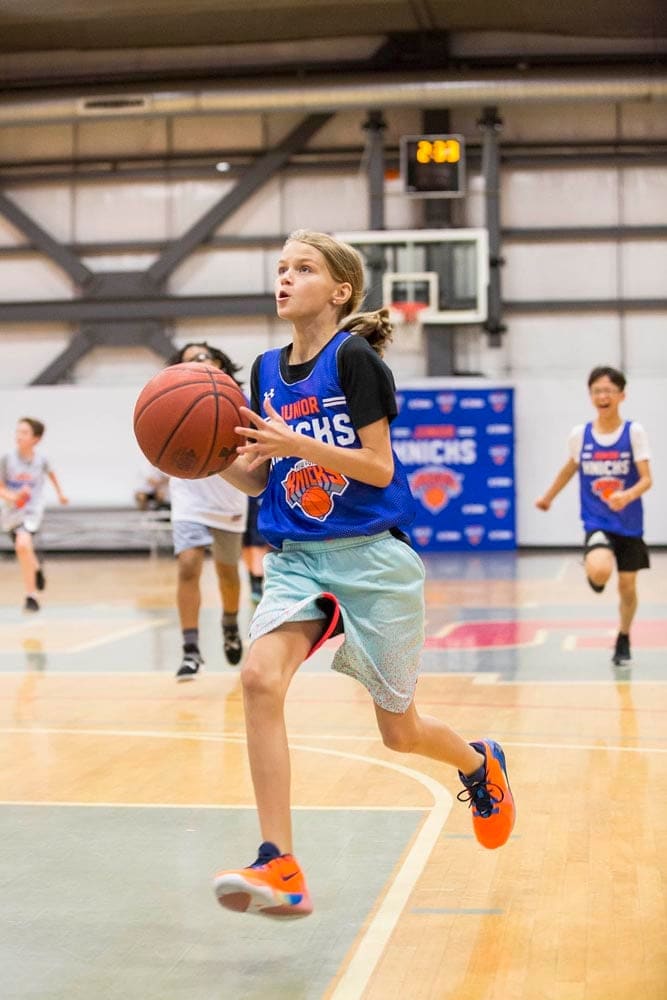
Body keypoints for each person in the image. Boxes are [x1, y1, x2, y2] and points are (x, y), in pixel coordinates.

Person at [211, 229, 516, 918]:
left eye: (303, 268)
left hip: (373, 560)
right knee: (258, 678)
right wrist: (201, 458)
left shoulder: (354, 361)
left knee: (398, 732)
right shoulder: (262, 369)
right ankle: (278, 862)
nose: (284, 278)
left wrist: (296, 441)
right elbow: (258, 481)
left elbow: (378, 467)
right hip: (297, 560)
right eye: (280, 267)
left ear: (340, 289)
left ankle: (477, 763)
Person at [536, 365, 652, 667]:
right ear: (591, 396)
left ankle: (623, 637)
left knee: (627, 588)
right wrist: (548, 497)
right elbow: (568, 469)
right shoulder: (581, 435)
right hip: (597, 521)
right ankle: (595, 570)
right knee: (600, 570)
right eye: (597, 391)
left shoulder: (633, 432)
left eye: (608, 391)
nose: (602, 396)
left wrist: (627, 495)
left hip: (629, 523)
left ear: (621, 395)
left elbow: (647, 479)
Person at [167, 342, 248, 680]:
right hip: (188, 496)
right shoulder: (172, 402)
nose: (199, 362)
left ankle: (229, 624)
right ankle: (190, 650)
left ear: (219, 362)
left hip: (228, 497)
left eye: (204, 356)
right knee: (188, 565)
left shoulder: (239, 402)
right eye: (190, 360)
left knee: (228, 574)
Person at [0, 417, 68, 613]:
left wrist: (61, 494)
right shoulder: (7, 459)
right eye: (17, 432)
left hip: (32, 511)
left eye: (24, 433)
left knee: (22, 545)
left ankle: (31, 597)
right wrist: (13, 496)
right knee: (24, 550)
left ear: (36, 439)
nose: (18, 436)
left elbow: (52, 474)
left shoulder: (42, 460)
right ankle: (36, 568)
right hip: (11, 512)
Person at [241, 496, 270, 603]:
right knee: (246, 541)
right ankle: (254, 580)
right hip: (238, 498)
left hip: (258, 493)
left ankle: (257, 581)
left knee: (258, 540)